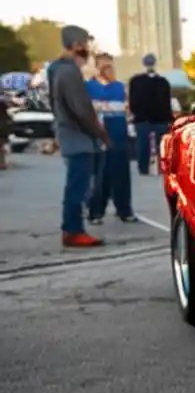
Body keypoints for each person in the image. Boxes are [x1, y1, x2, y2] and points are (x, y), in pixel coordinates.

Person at [48, 25, 110, 247]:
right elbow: (81, 109)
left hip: (71, 134)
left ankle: (73, 228)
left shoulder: (57, 70)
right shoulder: (69, 71)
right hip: (79, 137)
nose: (88, 48)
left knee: (79, 184)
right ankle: (73, 230)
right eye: (85, 43)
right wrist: (100, 133)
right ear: (76, 45)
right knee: (79, 185)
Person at [87, 54, 137, 224]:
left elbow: (130, 111)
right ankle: (95, 212)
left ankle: (124, 210)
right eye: (104, 66)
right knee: (100, 177)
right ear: (97, 67)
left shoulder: (121, 87)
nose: (108, 69)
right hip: (99, 138)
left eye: (110, 65)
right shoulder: (88, 87)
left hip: (119, 137)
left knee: (122, 176)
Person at [128, 52, 172, 175]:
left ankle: (144, 168)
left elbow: (132, 100)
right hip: (158, 118)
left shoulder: (136, 81)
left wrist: (135, 113)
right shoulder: (162, 82)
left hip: (145, 118)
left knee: (144, 145)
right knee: (158, 146)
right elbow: (166, 102)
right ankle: (158, 168)